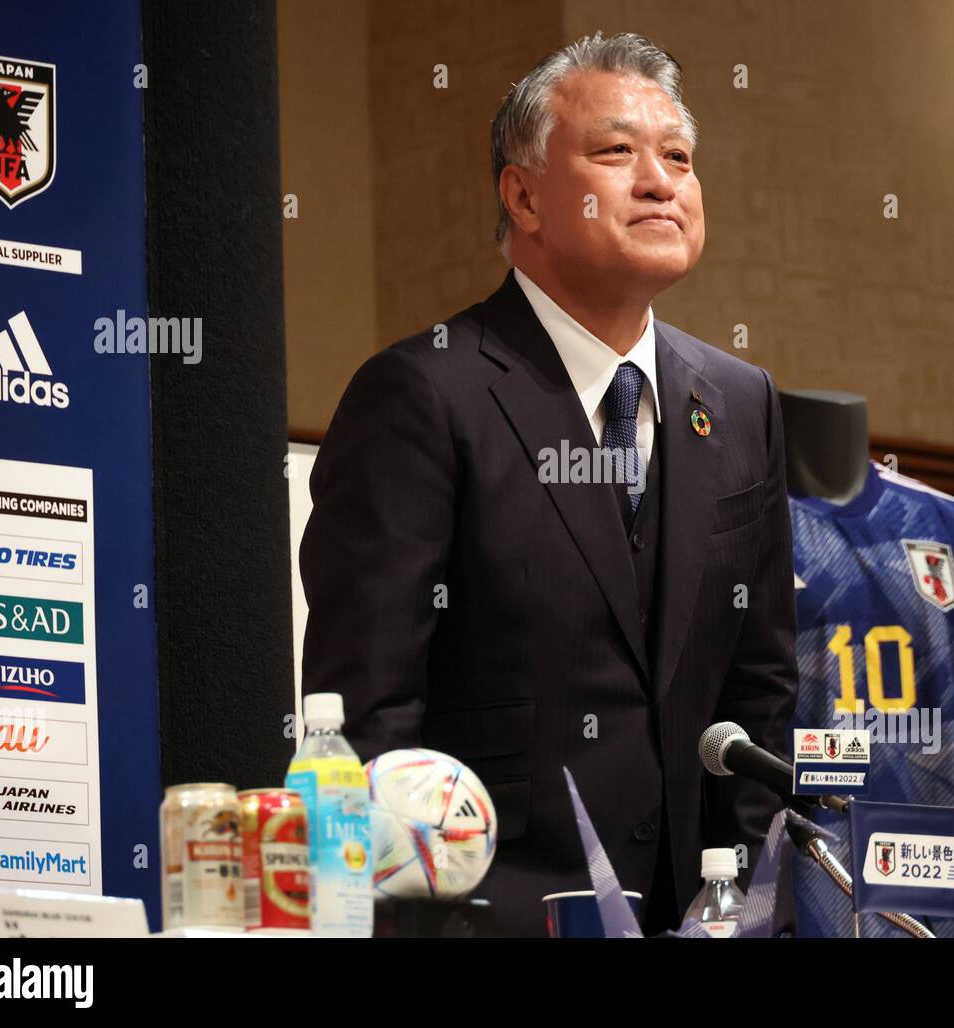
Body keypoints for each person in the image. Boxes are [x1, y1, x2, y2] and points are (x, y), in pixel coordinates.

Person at [301, 30, 796, 937]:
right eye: (617, 152)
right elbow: (368, 720)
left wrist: (748, 910)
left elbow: (759, 694)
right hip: (491, 918)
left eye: (679, 158)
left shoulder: (741, 401)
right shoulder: (422, 393)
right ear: (522, 194)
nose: (661, 182)